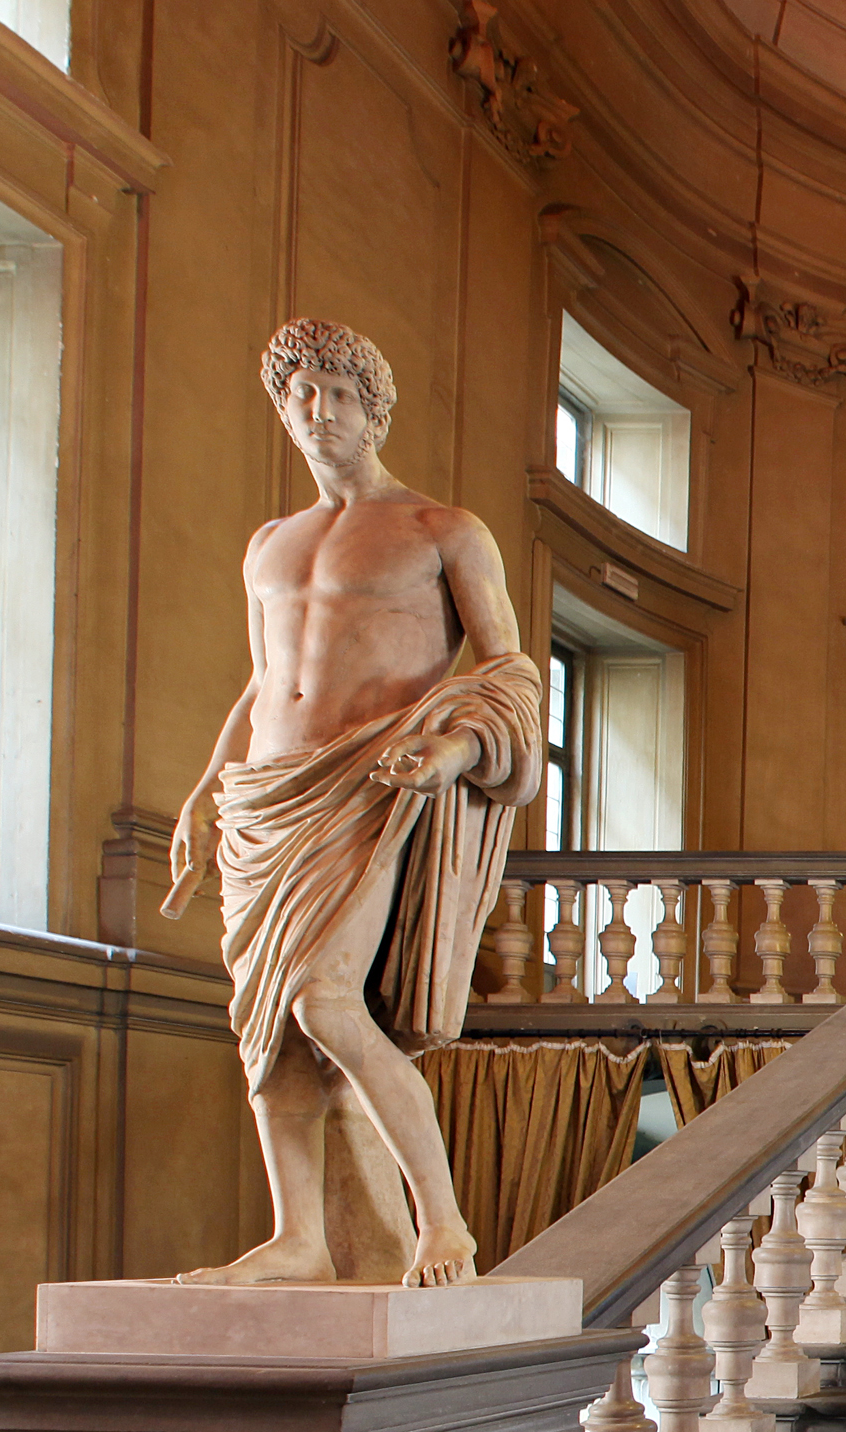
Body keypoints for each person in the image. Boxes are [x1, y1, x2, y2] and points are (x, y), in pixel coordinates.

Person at [162, 318, 541, 1289]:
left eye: (335, 392)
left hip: (368, 784)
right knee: (268, 1028)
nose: (314, 410)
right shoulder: (269, 544)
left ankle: (443, 1224)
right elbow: (263, 677)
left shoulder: (441, 530)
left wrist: (457, 748)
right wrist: (210, 782)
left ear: (375, 409)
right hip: (264, 796)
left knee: (323, 998)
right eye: (298, 394)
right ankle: (298, 1239)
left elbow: (509, 669)